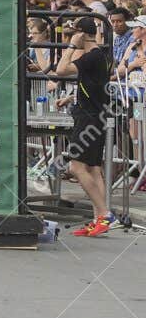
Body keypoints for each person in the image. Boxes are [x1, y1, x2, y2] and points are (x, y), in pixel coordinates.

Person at [56, 17, 116, 236]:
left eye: (74, 34)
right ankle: (99, 218)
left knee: (76, 168)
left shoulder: (92, 56)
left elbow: (61, 70)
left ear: (81, 34)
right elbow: (92, 85)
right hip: (94, 114)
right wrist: (71, 98)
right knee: (93, 168)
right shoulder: (99, 56)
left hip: (89, 118)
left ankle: (105, 213)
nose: (71, 38)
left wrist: (72, 46)